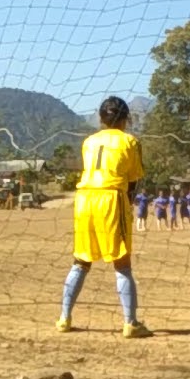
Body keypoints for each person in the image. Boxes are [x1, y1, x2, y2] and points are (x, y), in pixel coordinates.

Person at [57, 96, 152, 338]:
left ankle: (64, 318)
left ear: (101, 118)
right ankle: (130, 323)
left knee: (80, 261)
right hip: (111, 198)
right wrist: (128, 206)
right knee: (122, 264)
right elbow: (133, 181)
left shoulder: (89, 142)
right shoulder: (130, 141)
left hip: (84, 199)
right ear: (125, 119)